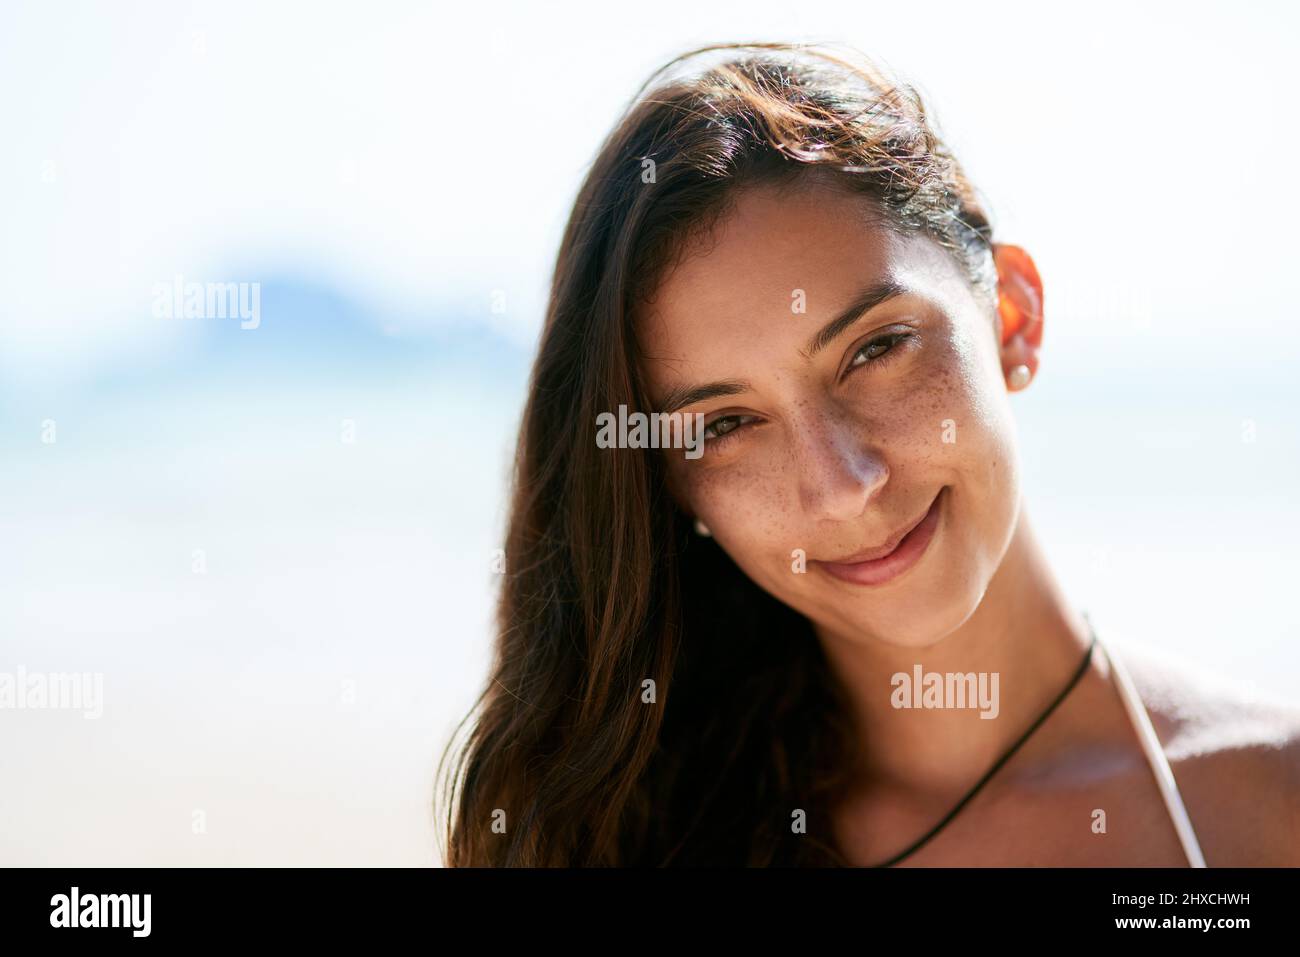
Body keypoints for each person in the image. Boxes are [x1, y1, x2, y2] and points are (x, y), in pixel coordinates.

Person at [436, 41, 1300, 866]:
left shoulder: (1273, 798)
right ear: (669, 489)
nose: (844, 487)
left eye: (875, 349)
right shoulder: (631, 842)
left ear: (1012, 317)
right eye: (724, 425)